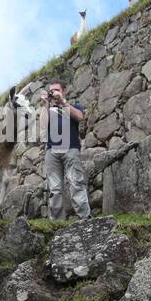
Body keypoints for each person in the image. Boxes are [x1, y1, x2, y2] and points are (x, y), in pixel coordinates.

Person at [38, 80, 91, 220]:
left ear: (63, 91)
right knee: (54, 189)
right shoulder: (48, 109)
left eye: (56, 90)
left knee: (76, 183)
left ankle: (85, 218)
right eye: (51, 91)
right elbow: (43, 125)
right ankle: (56, 223)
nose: (53, 93)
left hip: (71, 148)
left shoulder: (73, 105)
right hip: (52, 152)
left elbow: (80, 117)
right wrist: (45, 105)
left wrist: (62, 102)